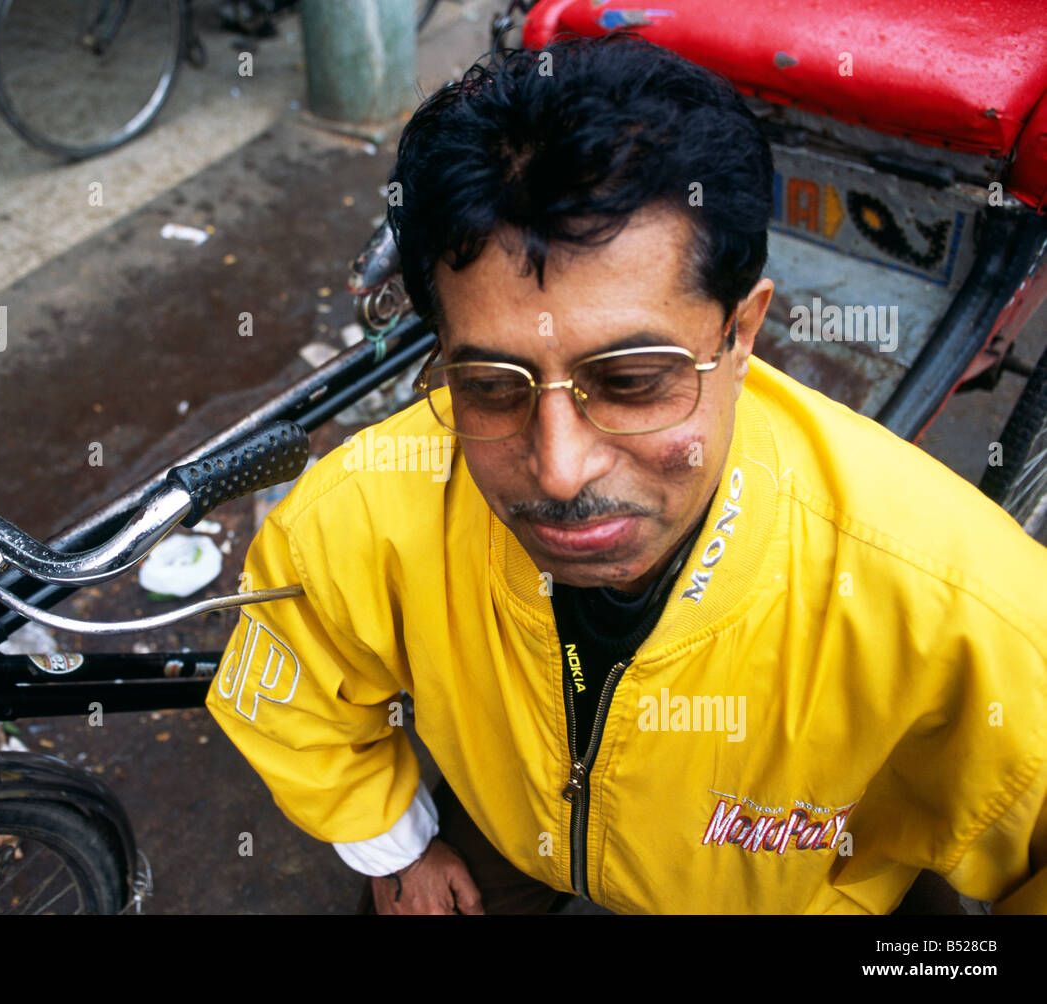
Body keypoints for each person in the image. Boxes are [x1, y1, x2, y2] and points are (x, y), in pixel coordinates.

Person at [205, 34, 1047, 914]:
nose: (561, 470)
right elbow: (298, 693)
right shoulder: (357, 519)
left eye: (635, 382)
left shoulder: (971, 616)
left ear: (743, 329)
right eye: (490, 388)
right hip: (510, 839)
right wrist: (400, 847)